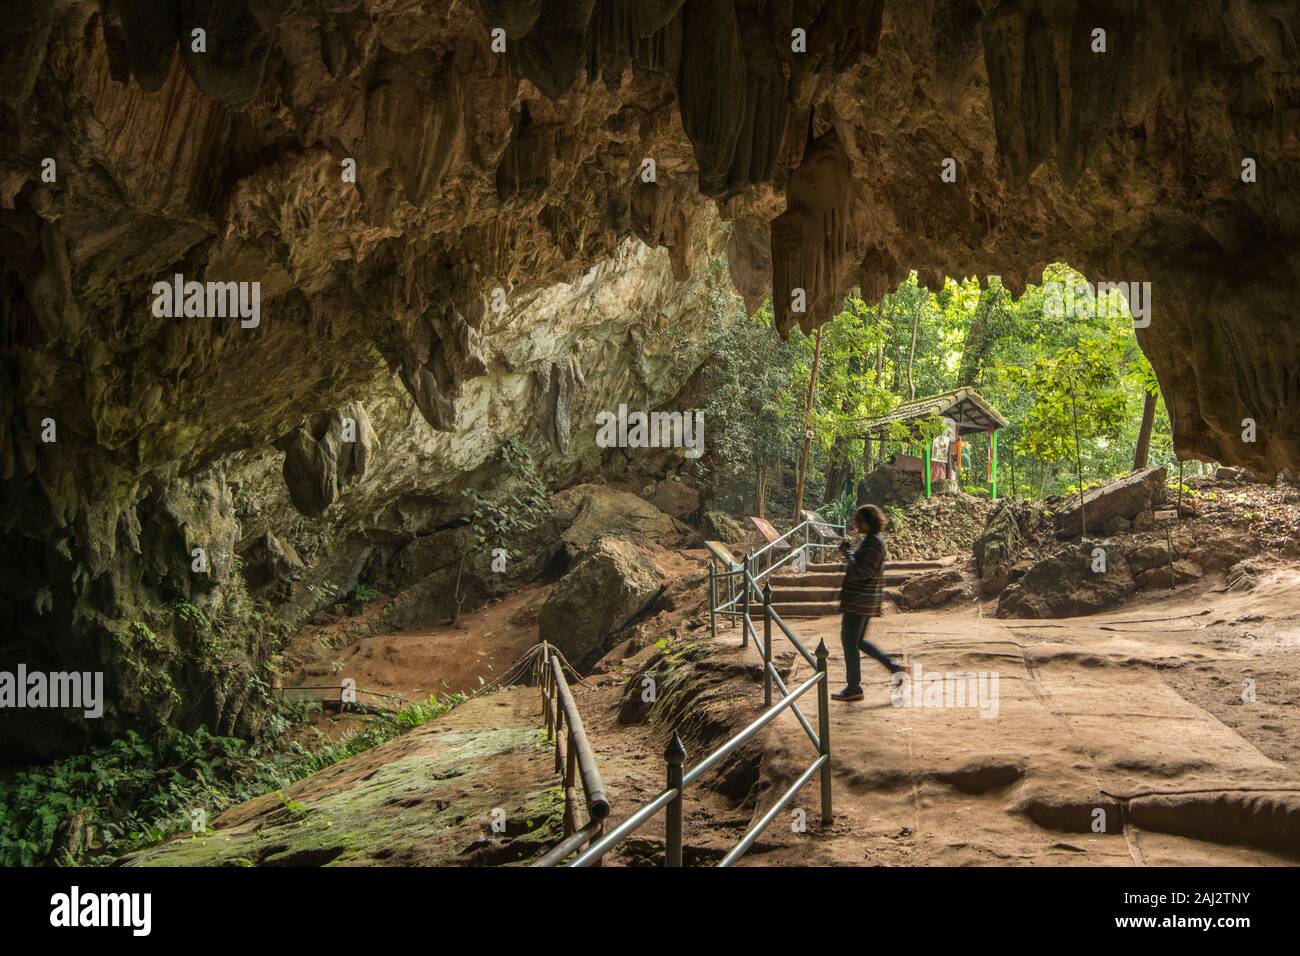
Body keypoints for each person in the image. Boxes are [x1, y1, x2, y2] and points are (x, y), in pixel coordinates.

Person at [832, 504, 910, 701]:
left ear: (870, 522)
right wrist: (850, 553)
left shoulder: (874, 543)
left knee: (849, 641)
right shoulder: (872, 541)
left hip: (860, 600)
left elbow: (862, 571)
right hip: (863, 600)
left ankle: (854, 687)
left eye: (860, 520)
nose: (856, 524)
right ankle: (894, 667)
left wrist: (848, 555)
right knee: (857, 641)